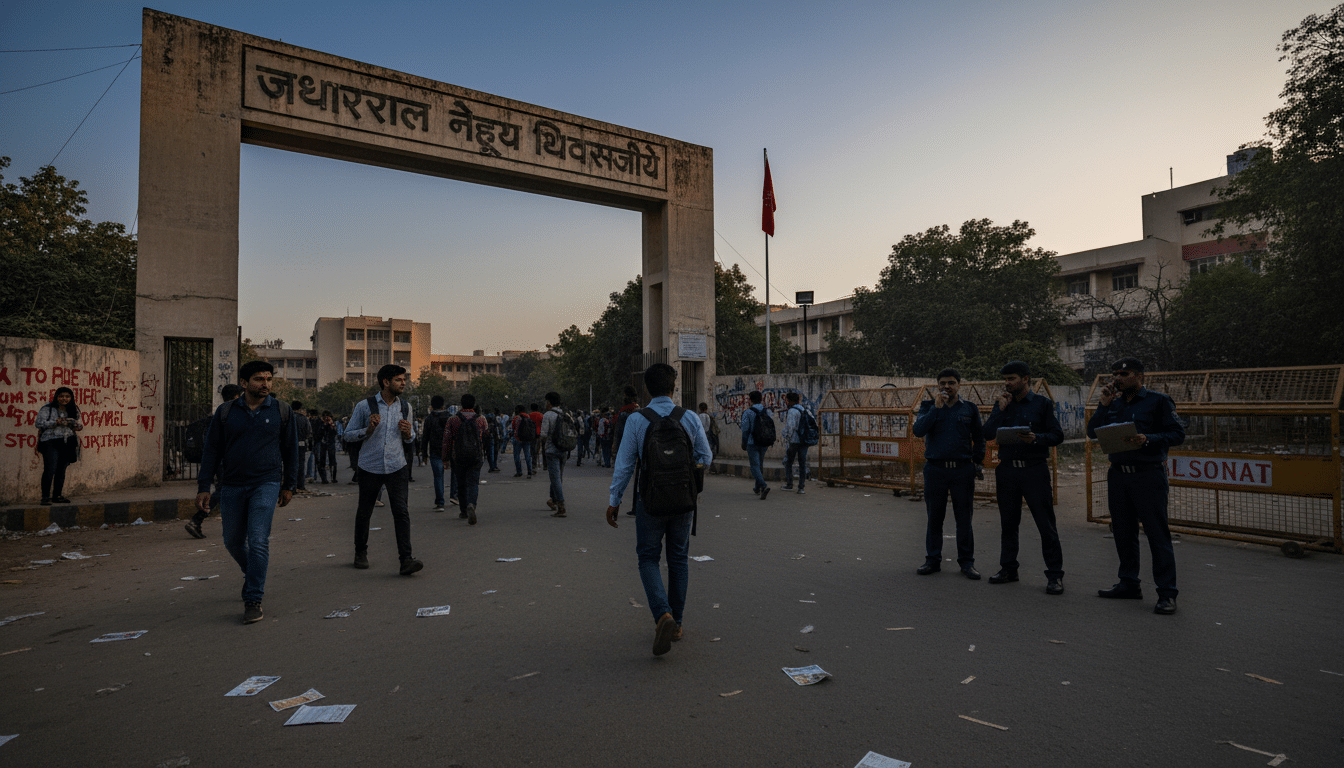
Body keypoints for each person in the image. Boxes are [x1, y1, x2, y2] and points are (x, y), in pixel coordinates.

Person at [606, 363, 712, 656]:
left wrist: (614, 501)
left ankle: (662, 614)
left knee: (648, 558)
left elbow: (625, 464)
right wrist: (692, 477)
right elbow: (705, 456)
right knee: (678, 559)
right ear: (673, 387)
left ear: (645, 389)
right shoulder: (688, 417)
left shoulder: (638, 421)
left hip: (649, 501)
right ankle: (676, 624)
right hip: (683, 501)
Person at [194, 361, 297, 624]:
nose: (265, 384)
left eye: (269, 379)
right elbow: (211, 450)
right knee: (232, 541)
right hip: (231, 485)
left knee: (259, 540)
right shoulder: (226, 412)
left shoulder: (281, 410)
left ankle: (253, 598)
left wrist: (289, 485)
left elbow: (291, 451)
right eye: (259, 379)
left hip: (267, 482)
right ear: (244, 383)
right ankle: (251, 572)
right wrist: (204, 486)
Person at [1088, 357, 1185, 615]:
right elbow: (1091, 432)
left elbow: (1177, 434)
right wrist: (1102, 405)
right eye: (1115, 374)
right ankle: (1129, 583)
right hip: (1119, 475)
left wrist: (1147, 438)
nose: (1117, 378)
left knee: (1156, 534)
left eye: (1124, 373)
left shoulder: (1158, 401)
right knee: (1123, 531)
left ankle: (1166, 593)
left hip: (1148, 475)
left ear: (1139, 376)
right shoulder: (1114, 403)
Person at [981, 361, 1065, 594]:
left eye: (1012, 379)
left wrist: (1036, 438)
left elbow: (1057, 435)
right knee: (1008, 523)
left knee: (1045, 524)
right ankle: (1008, 568)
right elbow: (987, 434)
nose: (1007, 383)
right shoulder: (1003, 405)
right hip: (1007, 470)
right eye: (1005, 379)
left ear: (1025, 379)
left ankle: (1055, 575)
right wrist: (999, 410)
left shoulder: (1042, 404)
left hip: (1034, 470)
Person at [344, 364, 423, 576]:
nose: (403, 383)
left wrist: (409, 434)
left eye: (404, 379)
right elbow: (347, 434)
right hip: (370, 466)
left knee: (401, 512)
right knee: (364, 512)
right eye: (398, 380)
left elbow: (411, 437)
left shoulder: (405, 407)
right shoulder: (365, 406)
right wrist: (367, 430)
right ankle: (360, 552)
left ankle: (406, 559)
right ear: (386, 382)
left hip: (397, 466)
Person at [912, 368, 985, 579]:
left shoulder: (969, 408)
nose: (946, 387)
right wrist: (936, 408)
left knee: (964, 518)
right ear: (937, 385)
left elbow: (979, 438)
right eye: (942, 383)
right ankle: (932, 560)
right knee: (935, 517)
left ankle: (967, 563)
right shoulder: (928, 406)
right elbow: (918, 431)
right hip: (935, 470)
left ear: (959, 385)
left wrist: (977, 463)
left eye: (951, 383)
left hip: (962, 470)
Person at [185, 383, 243, 538]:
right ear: (236, 397)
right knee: (224, 490)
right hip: (227, 459)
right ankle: (197, 520)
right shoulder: (232, 413)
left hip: (220, 459)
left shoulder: (220, 412)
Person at [35, 386, 84, 505]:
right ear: (56, 397)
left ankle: (57, 495)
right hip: (50, 442)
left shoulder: (74, 409)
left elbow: (80, 425)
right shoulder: (47, 408)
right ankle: (45, 497)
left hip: (67, 442)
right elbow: (38, 423)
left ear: (71, 398)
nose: (64, 399)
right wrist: (56, 422)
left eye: (67, 396)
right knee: (50, 469)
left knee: (61, 470)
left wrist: (74, 424)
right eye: (61, 396)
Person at [445, 393, 487, 525]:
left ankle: (463, 510)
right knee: (473, 483)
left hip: (458, 457)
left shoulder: (453, 420)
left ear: (461, 404)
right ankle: (471, 504)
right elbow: (486, 437)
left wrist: (445, 458)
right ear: (473, 404)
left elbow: (447, 440)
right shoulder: (481, 419)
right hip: (476, 456)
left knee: (461, 483)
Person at [540, 392, 571, 518]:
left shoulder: (548, 415)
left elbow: (543, 435)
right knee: (558, 477)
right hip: (563, 450)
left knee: (555, 478)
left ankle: (561, 506)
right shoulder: (566, 414)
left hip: (552, 451)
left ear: (549, 403)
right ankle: (553, 500)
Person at [740, 390, 774, 500]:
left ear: (750, 400)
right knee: (760, 465)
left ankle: (763, 486)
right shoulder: (766, 411)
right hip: (764, 442)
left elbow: (745, 430)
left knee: (754, 466)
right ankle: (757, 487)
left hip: (752, 442)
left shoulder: (747, 412)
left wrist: (744, 443)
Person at [423, 396, 451, 511]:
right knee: (455, 475)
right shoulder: (450, 418)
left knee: (438, 477)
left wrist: (424, 454)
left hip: (435, 451)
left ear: (431, 406)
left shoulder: (429, 419)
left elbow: (425, 438)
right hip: (449, 451)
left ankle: (440, 503)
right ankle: (455, 495)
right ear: (443, 405)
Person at [781, 392, 810, 494]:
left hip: (794, 441)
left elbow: (790, 427)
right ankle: (801, 487)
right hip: (804, 441)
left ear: (790, 401)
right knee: (802, 463)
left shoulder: (792, 411)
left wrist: (785, 437)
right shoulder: (804, 410)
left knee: (788, 462)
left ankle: (789, 484)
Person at [291, 401, 311, 493]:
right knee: (301, 465)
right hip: (302, 444)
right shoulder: (304, 419)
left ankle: (292, 486)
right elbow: (308, 432)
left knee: (291, 465)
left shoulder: (288, 417)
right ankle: (301, 485)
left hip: (290, 444)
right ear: (300, 409)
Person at [510, 404, 535, 478]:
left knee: (517, 455)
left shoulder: (515, 418)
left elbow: (512, 428)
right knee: (527, 455)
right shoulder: (528, 417)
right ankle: (529, 471)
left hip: (517, 439)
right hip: (527, 439)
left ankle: (519, 471)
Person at [315, 410, 339, 484]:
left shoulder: (333, 424)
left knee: (332, 461)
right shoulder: (320, 423)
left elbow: (335, 433)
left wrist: (331, 425)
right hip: (323, 443)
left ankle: (333, 478)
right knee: (322, 461)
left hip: (330, 443)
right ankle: (324, 478)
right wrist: (324, 425)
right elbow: (319, 433)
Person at [697, 402, 718, 471]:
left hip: (700, 438)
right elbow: (712, 429)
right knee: (709, 453)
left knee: (699, 455)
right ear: (706, 409)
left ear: (699, 409)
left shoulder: (697, 417)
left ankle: (700, 468)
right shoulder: (709, 417)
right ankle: (710, 466)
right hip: (709, 437)